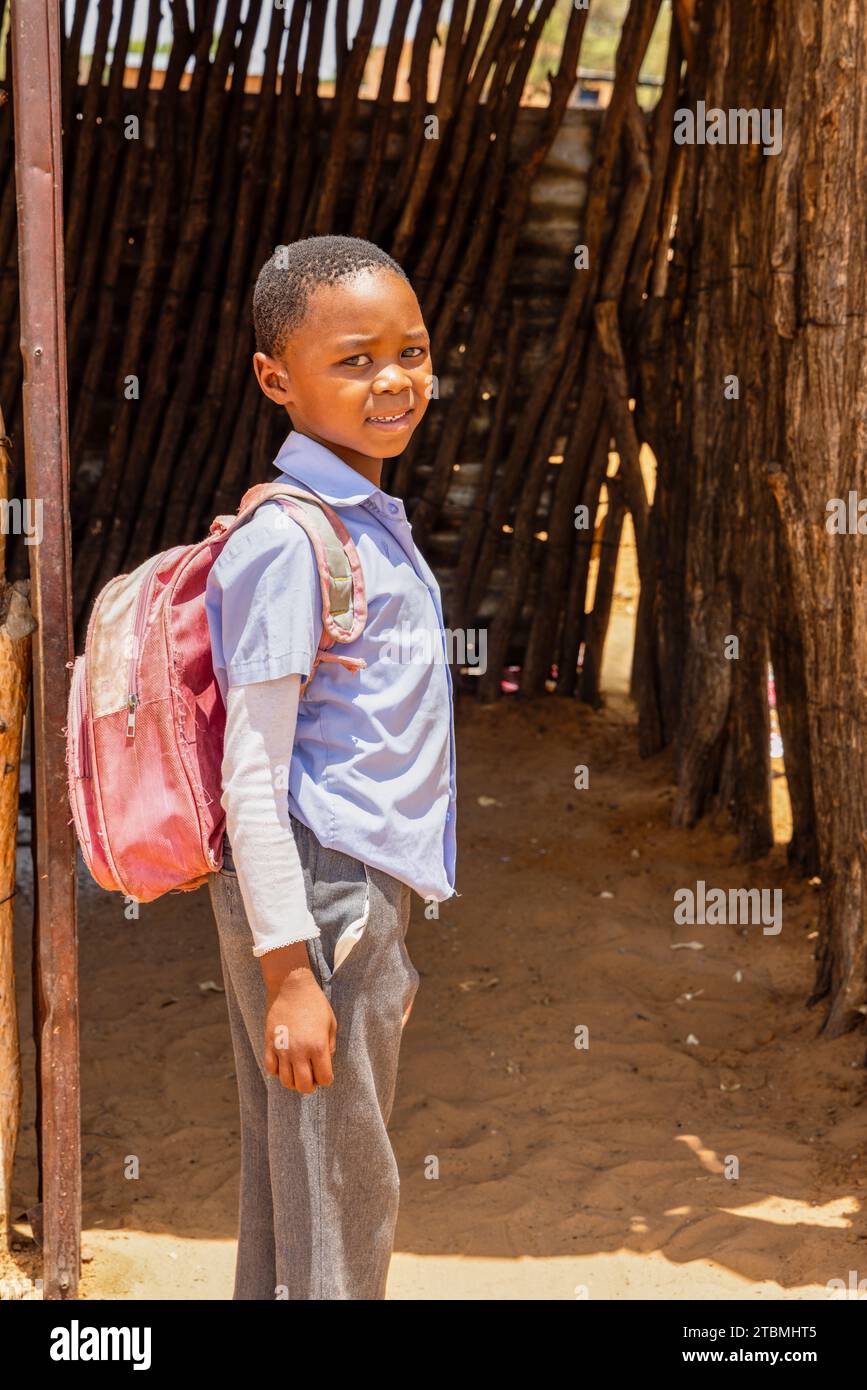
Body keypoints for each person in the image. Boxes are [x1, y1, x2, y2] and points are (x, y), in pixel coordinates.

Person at [205, 235, 457, 1301]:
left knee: (302, 1186)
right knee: (340, 1197)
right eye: (354, 359)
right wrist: (291, 971)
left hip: (344, 894)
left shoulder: (365, 520)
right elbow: (250, 773)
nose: (393, 379)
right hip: (320, 899)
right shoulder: (291, 542)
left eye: (411, 351)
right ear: (278, 379)